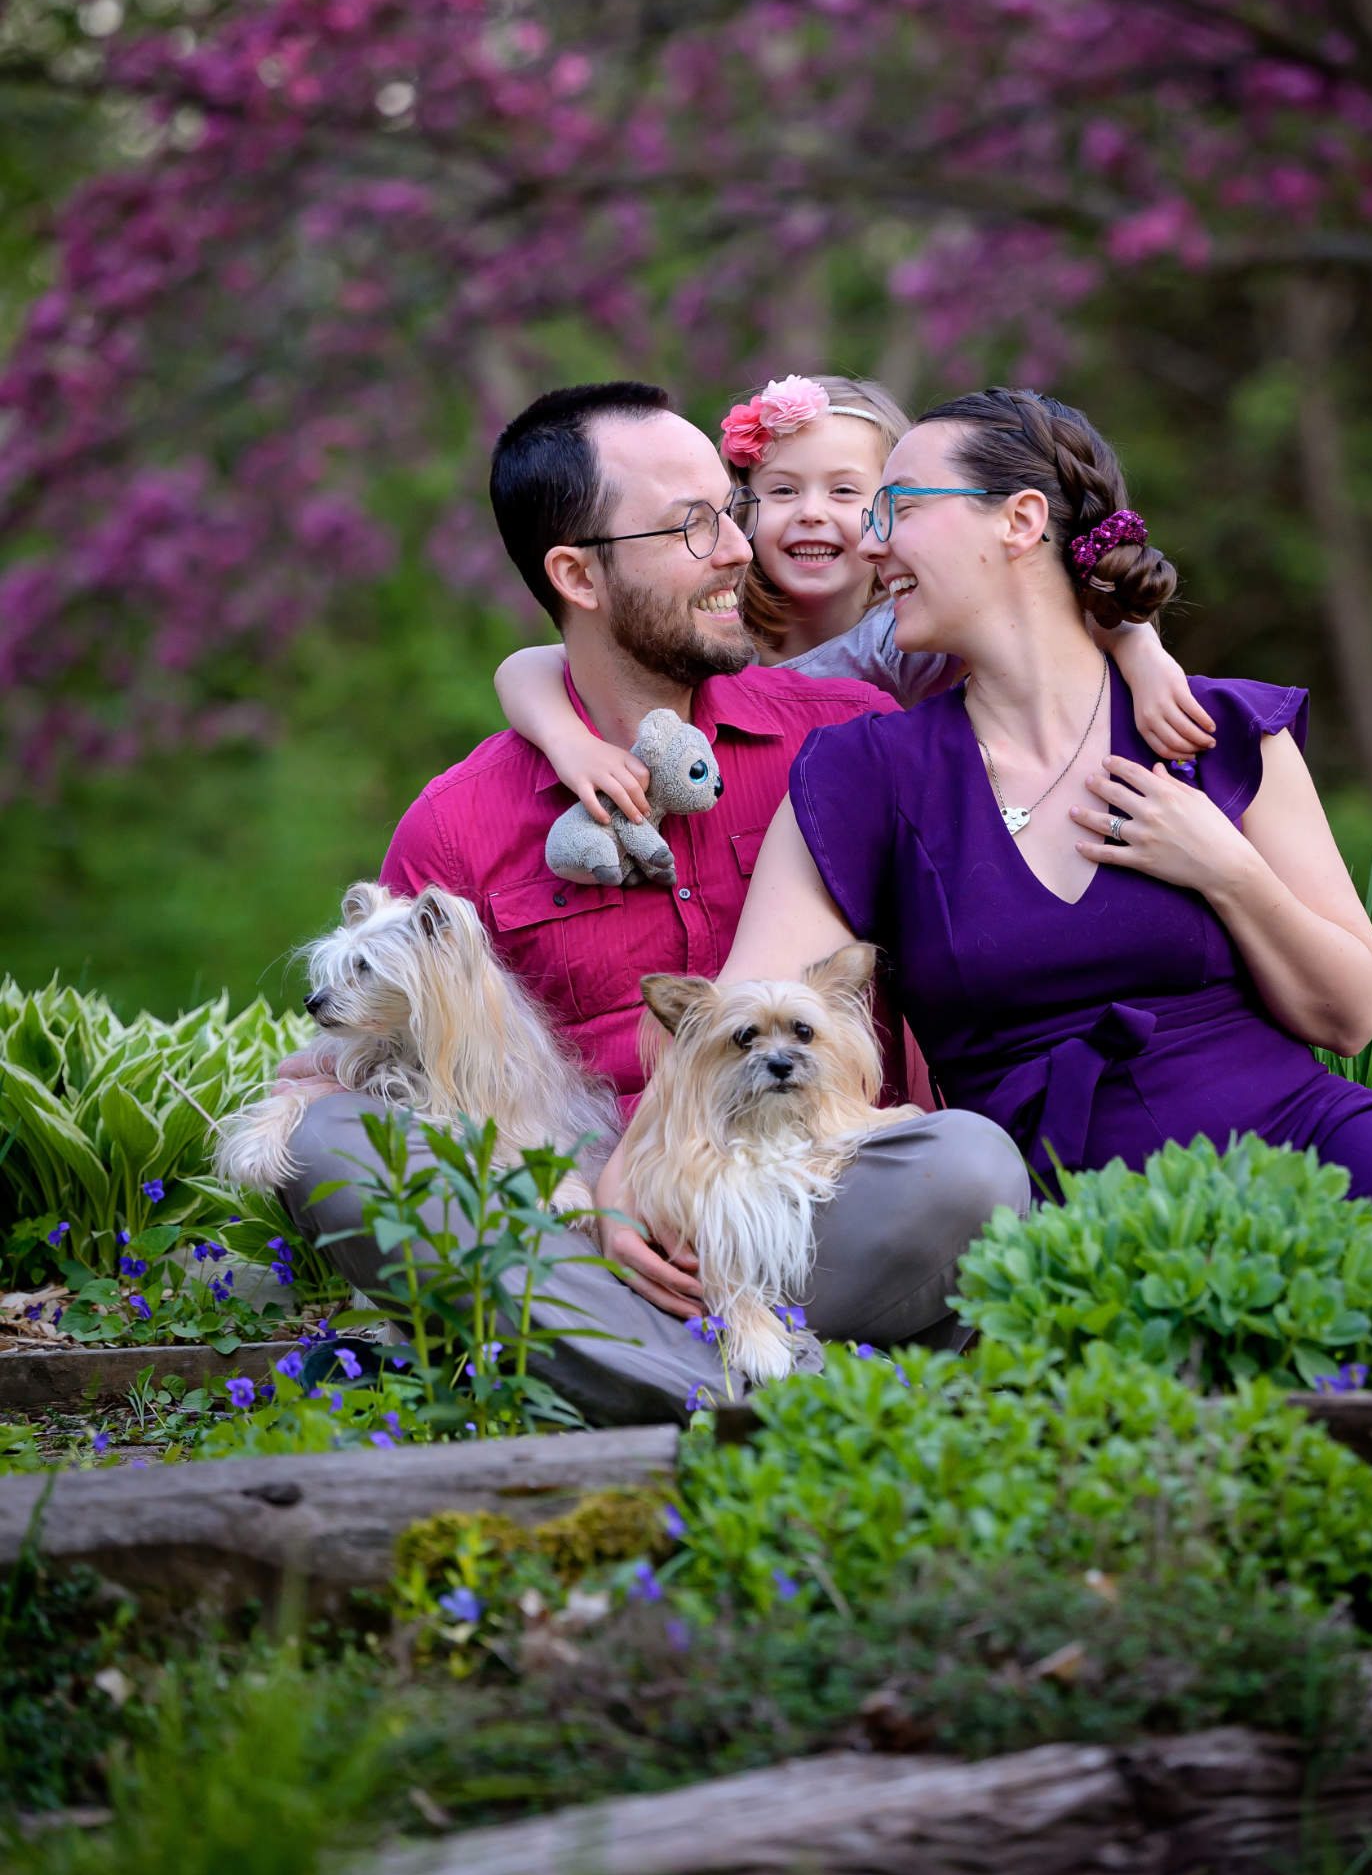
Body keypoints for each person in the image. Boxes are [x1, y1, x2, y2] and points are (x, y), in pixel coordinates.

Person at [687, 385, 1372, 1387]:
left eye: (897, 508)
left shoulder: (1213, 734)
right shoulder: (862, 772)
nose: (871, 545)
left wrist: (1225, 867)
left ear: (1020, 520)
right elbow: (745, 1019)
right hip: (1060, 1206)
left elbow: (1347, 1015)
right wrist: (655, 1184)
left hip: (1296, 1142)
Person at [273, 380, 1032, 1425]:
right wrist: (330, 1081)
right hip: (584, 1243)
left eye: (729, 508)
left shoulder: (846, 732)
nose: (737, 547)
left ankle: (651, 1382)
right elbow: (382, 1039)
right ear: (578, 572)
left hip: (810, 1206)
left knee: (968, 1166)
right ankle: (744, 1404)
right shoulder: (461, 821)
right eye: (692, 525)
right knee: (327, 1145)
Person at [494, 370, 1215, 832]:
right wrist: (570, 742)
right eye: (781, 492)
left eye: (845, 492)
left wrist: (1141, 649)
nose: (811, 514)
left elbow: (1073, 598)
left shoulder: (910, 632)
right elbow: (532, 665)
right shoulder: (720, 626)